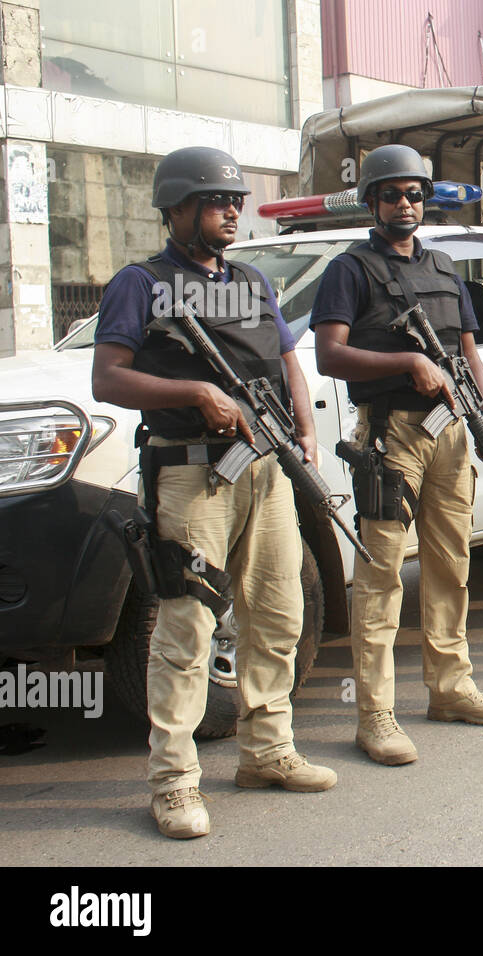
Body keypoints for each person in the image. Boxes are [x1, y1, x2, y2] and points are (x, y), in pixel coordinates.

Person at [91, 146, 336, 839]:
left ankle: (267, 751)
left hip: (264, 468)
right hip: (194, 474)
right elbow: (108, 379)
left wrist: (305, 432)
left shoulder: (254, 282)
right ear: (175, 209)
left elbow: (287, 356)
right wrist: (195, 391)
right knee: (187, 629)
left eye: (235, 201)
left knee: (279, 613)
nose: (232, 211)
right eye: (215, 201)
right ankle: (173, 782)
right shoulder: (141, 284)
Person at [312, 145, 483, 766]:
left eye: (416, 194)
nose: (407, 204)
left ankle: (450, 688)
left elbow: (470, 351)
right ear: (373, 201)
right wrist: (407, 361)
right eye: (394, 194)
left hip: (453, 430)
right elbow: (328, 356)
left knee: (452, 563)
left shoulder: (446, 266)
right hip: (391, 432)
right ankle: (376, 714)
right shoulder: (351, 269)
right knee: (380, 574)